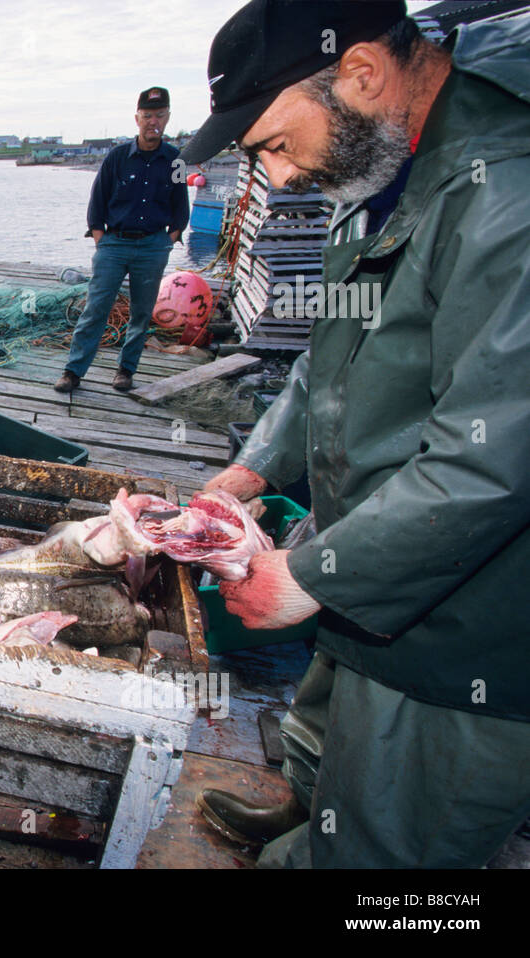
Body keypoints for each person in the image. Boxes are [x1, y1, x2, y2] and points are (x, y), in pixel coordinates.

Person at [181, 0, 530, 867]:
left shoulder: (509, 196)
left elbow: (491, 463)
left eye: (271, 145)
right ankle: (309, 804)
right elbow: (324, 361)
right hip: (364, 548)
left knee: (396, 845)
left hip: (473, 616)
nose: (277, 176)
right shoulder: (373, 166)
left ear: (362, 74)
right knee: (330, 730)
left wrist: (304, 575)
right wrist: (253, 470)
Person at [55, 87, 189, 395]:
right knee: (96, 308)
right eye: (146, 116)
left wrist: (167, 241)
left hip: (153, 247)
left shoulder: (176, 161)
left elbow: (181, 210)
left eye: (159, 116)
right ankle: (73, 372)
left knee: (141, 314)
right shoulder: (116, 158)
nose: (152, 122)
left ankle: (125, 370)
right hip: (113, 245)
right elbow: (96, 204)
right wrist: (102, 240)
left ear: (167, 118)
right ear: (137, 118)